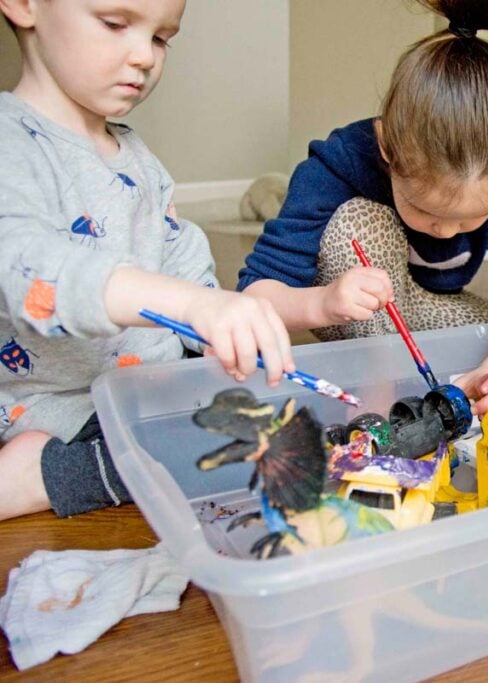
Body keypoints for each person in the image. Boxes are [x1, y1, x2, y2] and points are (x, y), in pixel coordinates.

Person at [0, 0, 295, 521]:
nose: (144, 57)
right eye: (115, 25)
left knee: (270, 428)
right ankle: (36, 477)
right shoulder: (10, 140)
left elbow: (182, 259)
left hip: (149, 384)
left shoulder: (139, 159)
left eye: (161, 39)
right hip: (65, 408)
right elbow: (31, 270)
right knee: (189, 459)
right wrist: (184, 303)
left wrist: (210, 323)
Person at [239, 0, 488, 416]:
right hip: (348, 308)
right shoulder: (339, 162)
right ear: (387, 146)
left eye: (470, 218)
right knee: (361, 219)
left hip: (424, 307)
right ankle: (379, 389)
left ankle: (414, 374)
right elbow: (254, 295)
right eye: (426, 210)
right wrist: (324, 301)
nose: (445, 232)